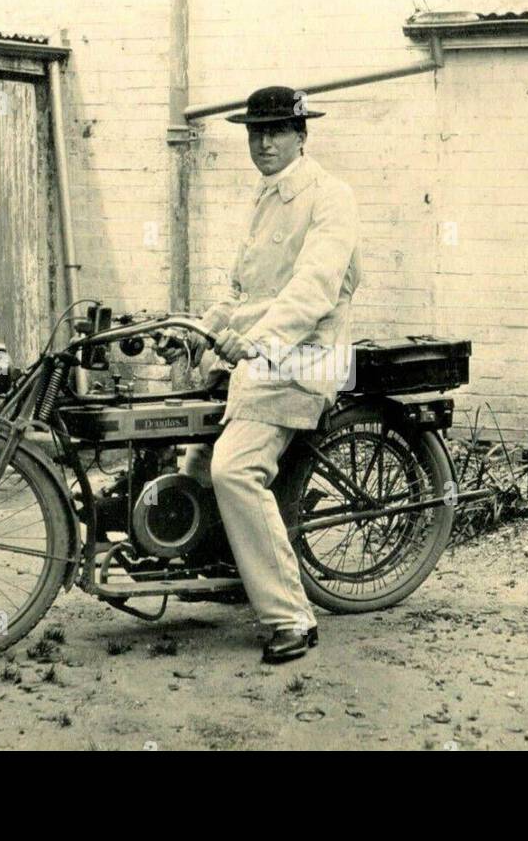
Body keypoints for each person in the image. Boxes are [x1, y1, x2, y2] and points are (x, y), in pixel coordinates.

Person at [160, 85, 361, 663]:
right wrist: (200, 328)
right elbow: (240, 289)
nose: (265, 141)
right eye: (255, 131)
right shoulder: (265, 197)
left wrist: (258, 343)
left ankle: (291, 618)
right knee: (186, 451)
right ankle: (227, 560)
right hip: (257, 358)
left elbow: (314, 288)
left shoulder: (330, 197)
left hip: (304, 358)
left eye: (276, 130)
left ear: (302, 135)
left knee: (233, 470)